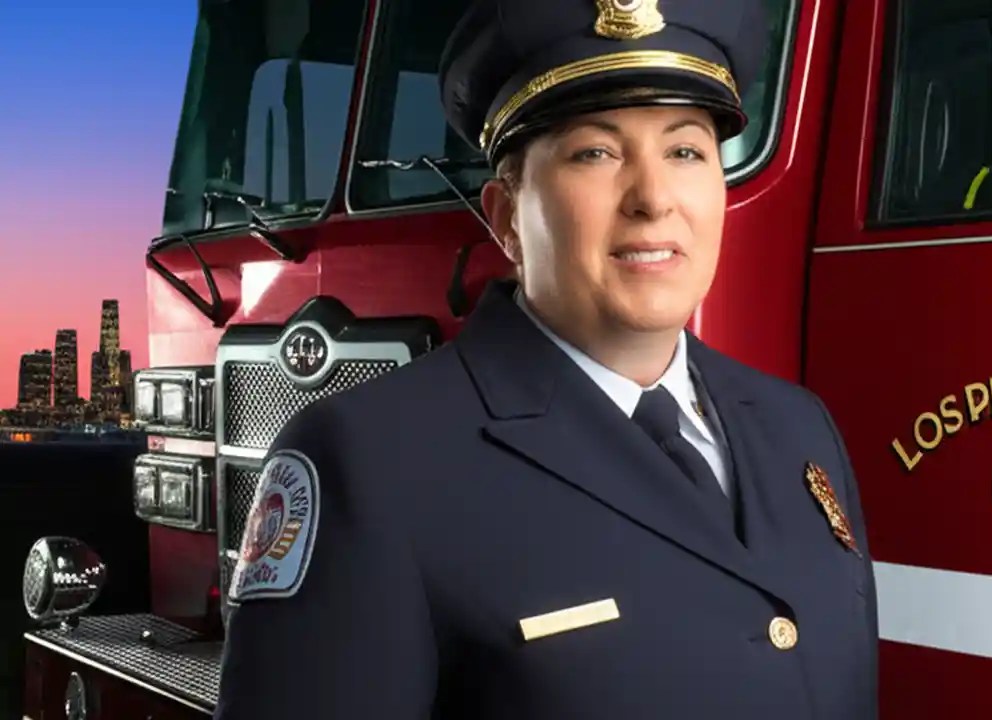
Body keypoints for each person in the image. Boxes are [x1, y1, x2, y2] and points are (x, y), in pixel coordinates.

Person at [213, 0, 878, 717]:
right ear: (505, 217)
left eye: (685, 150)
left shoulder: (799, 429)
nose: (654, 199)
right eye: (596, 152)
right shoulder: (372, 465)